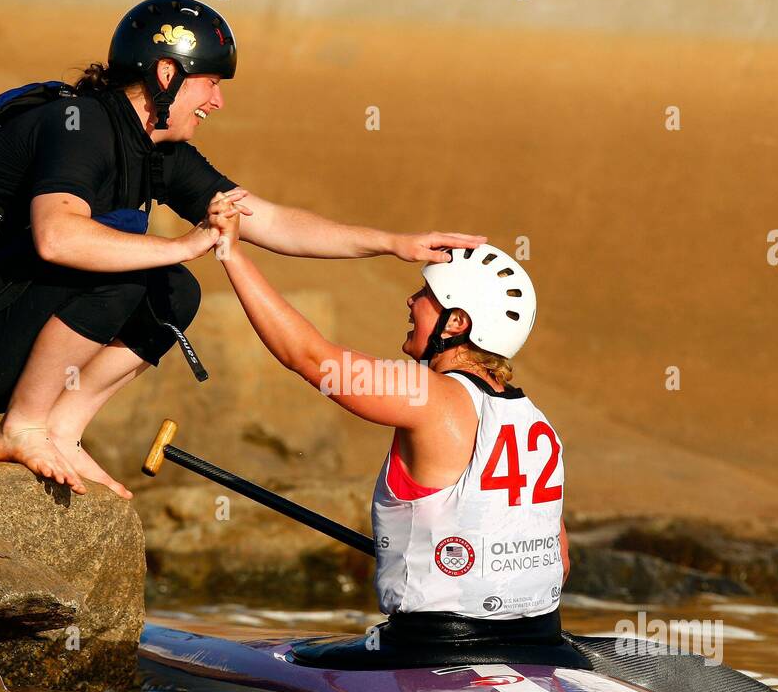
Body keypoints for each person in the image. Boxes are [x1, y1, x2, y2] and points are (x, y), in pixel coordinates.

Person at [0, 0, 484, 499]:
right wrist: (184, 243)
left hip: (4, 333)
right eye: (212, 83)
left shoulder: (158, 149)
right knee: (136, 269)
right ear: (167, 74)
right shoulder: (77, 124)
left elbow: (269, 222)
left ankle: (60, 430)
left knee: (173, 290)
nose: (218, 102)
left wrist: (392, 243)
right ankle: (20, 428)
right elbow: (57, 236)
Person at [206, 192, 570, 648]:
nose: (411, 300)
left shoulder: (428, 396)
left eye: (426, 294)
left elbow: (309, 357)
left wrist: (232, 254)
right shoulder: (537, 422)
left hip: (433, 647)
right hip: (541, 640)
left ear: (455, 322)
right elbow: (560, 559)